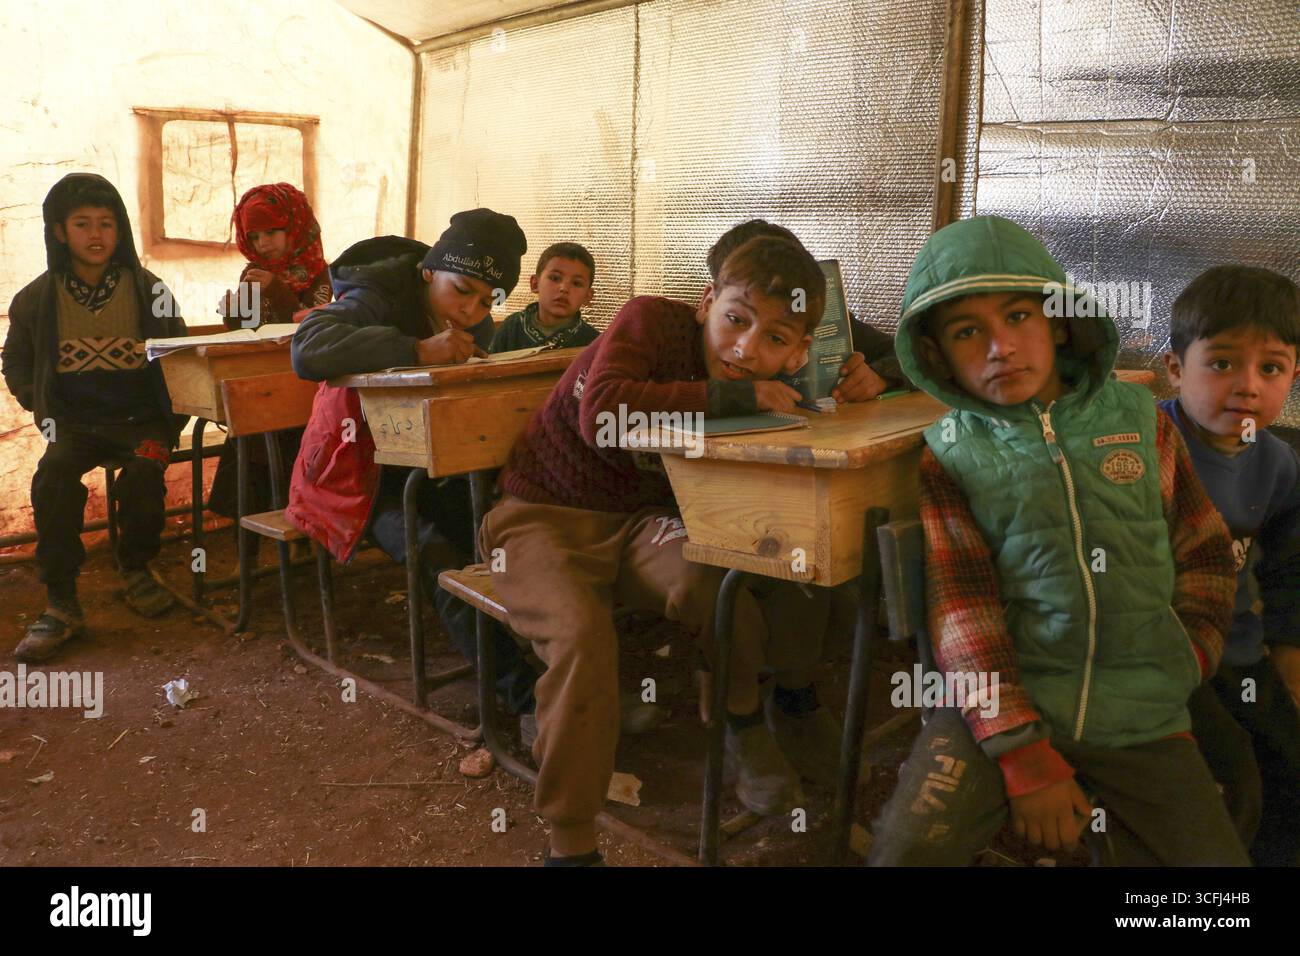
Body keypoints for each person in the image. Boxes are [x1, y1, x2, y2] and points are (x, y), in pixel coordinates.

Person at [867, 215, 1247, 866]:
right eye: (966, 331)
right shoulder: (951, 455)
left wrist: (1189, 658)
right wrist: (1020, 753)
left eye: (1018, 317)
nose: (999, 347)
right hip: (1007, 703)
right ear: (936, 355)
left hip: (1143, 713)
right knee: (905, 852)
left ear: (1060, 321)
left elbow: (1205, 549)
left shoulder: (1141, 423)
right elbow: (964, 612)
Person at [480, 233, 857, 866]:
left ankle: (739, 722)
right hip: (537, 519)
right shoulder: (650, 319)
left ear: (796, 352)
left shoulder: (773, 391)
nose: (745, 348)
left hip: (636, 525)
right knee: (581, 638)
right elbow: (603, 413)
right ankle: (571, 844)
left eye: (774, 339)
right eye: (736, 319)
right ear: (706, 301)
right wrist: (738, 395)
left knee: (722, 589)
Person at [285, 209, 537, 715]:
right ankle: (527, 701)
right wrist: (417, 349)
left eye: (487, 300)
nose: (471, 310)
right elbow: (306, 349)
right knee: (436, 550)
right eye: (461, 289)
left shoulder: (475, 326)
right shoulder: (374, 293)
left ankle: (547, 671)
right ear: (428, 270)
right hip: (353, 474)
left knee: (491, 536)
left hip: (427, 467)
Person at [3, 173, 188, 662]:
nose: (96, 234)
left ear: (120, 231)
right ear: (59, 231)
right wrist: (37, 403)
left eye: (107, 223)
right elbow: (15, 361)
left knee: (146, 473)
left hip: (142, 423)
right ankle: (62, 600)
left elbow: (180, 354)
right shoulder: (37, 299)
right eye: (81, 223)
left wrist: (170, 423)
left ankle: (136, 568)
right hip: (75, 425)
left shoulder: (151, 290)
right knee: (53, 480)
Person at [1162, 265, 1300, 866]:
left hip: (1241, 655)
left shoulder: (1280, 465)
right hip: (1164, 665)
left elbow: (1289, 572)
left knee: (1288, 775)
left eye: (1270, 368)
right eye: (1221, 363)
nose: (1247, 386)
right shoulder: (1140, 446)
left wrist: (1289, 664)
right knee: (1230, 788)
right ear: (1175, 368)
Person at [209, 183, 331, 522]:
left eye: (272, 232)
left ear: (295, 226)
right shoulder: (251, 274)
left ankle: (299, 536)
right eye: (256, 236)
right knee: (248, 457)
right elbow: (245, 334)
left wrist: (277, 289)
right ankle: (246, 546)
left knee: (289, 463)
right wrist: (231, 313)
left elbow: (311, 327)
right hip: (258, 389)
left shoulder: (321, 274)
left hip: (302, 392)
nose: (264, 243)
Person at [490, 242, 600, 353]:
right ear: (535, 284)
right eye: (555, 278)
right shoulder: (512, 328)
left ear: (587, 296)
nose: (564, 288)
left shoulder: (594, 342)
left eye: (576, 283)